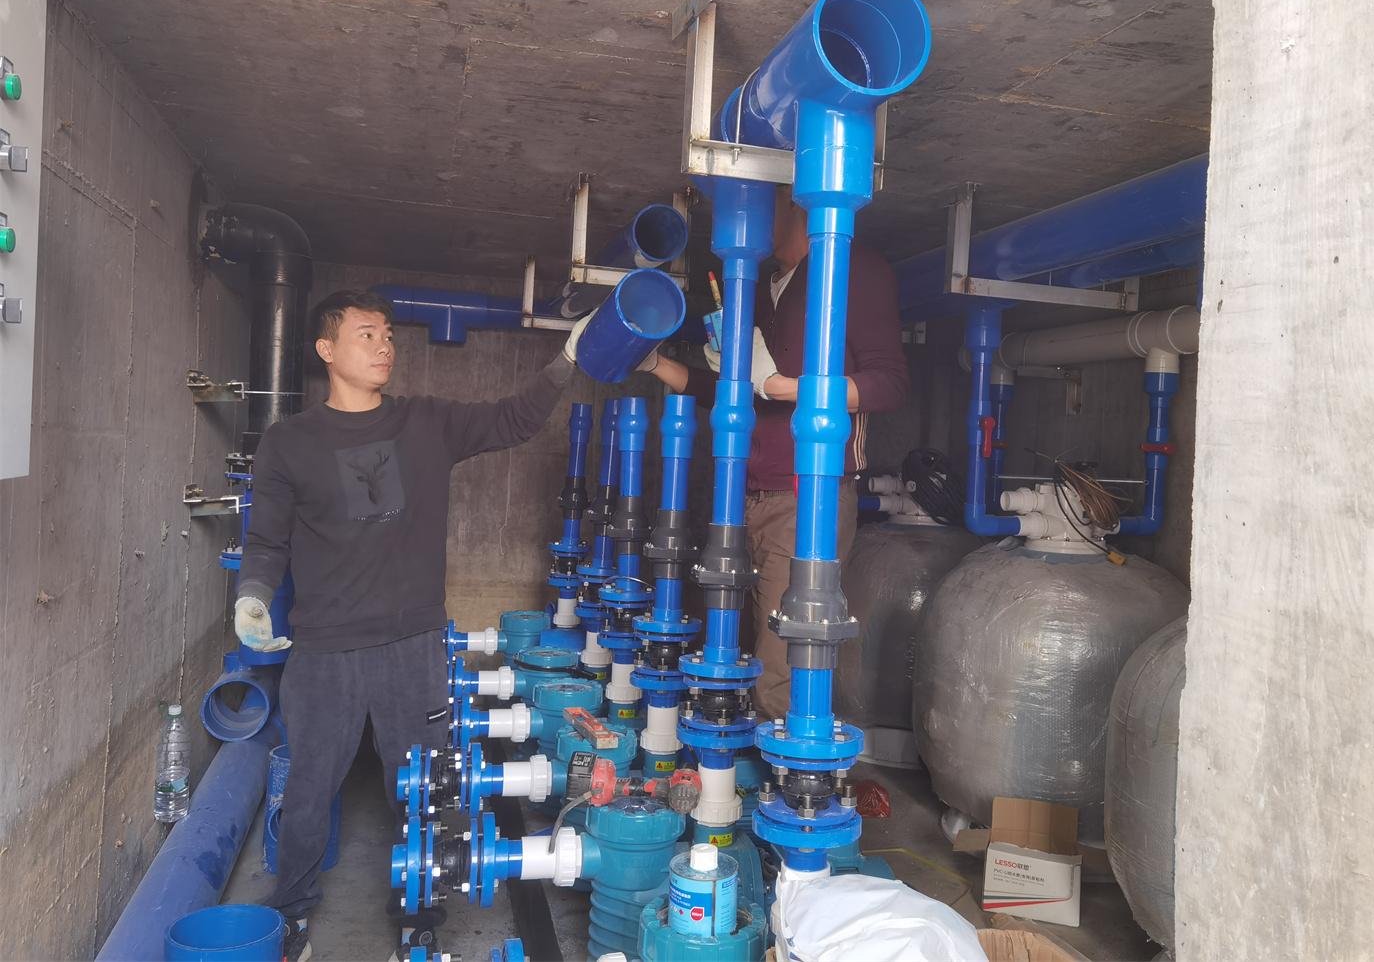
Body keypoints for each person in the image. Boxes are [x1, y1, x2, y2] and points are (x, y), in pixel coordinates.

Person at [234, 289, 593, 962]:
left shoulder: (426, 423)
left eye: (388, 335)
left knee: (423, 792)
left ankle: (419, 920)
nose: (383, 346)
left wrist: (567, 358)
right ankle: (293, 919)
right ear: (326, 350)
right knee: (308, 792)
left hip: (413, 645)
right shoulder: (290, 442)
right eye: (366, 335)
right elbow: (267, 541)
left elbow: (514, 419)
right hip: (325, 651)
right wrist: (252, 596)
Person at [648, 187, 909, 718]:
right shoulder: (760, 285)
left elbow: (889, 385)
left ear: (793, 200)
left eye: (754, 199)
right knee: (738, 652)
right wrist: (654, 364)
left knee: (782, 668)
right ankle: (742, 760)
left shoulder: (853, 268)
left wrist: (783, 386)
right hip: (741, 496)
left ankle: (787, 770)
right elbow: (739, 392)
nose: (741, 215)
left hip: (806, 498)